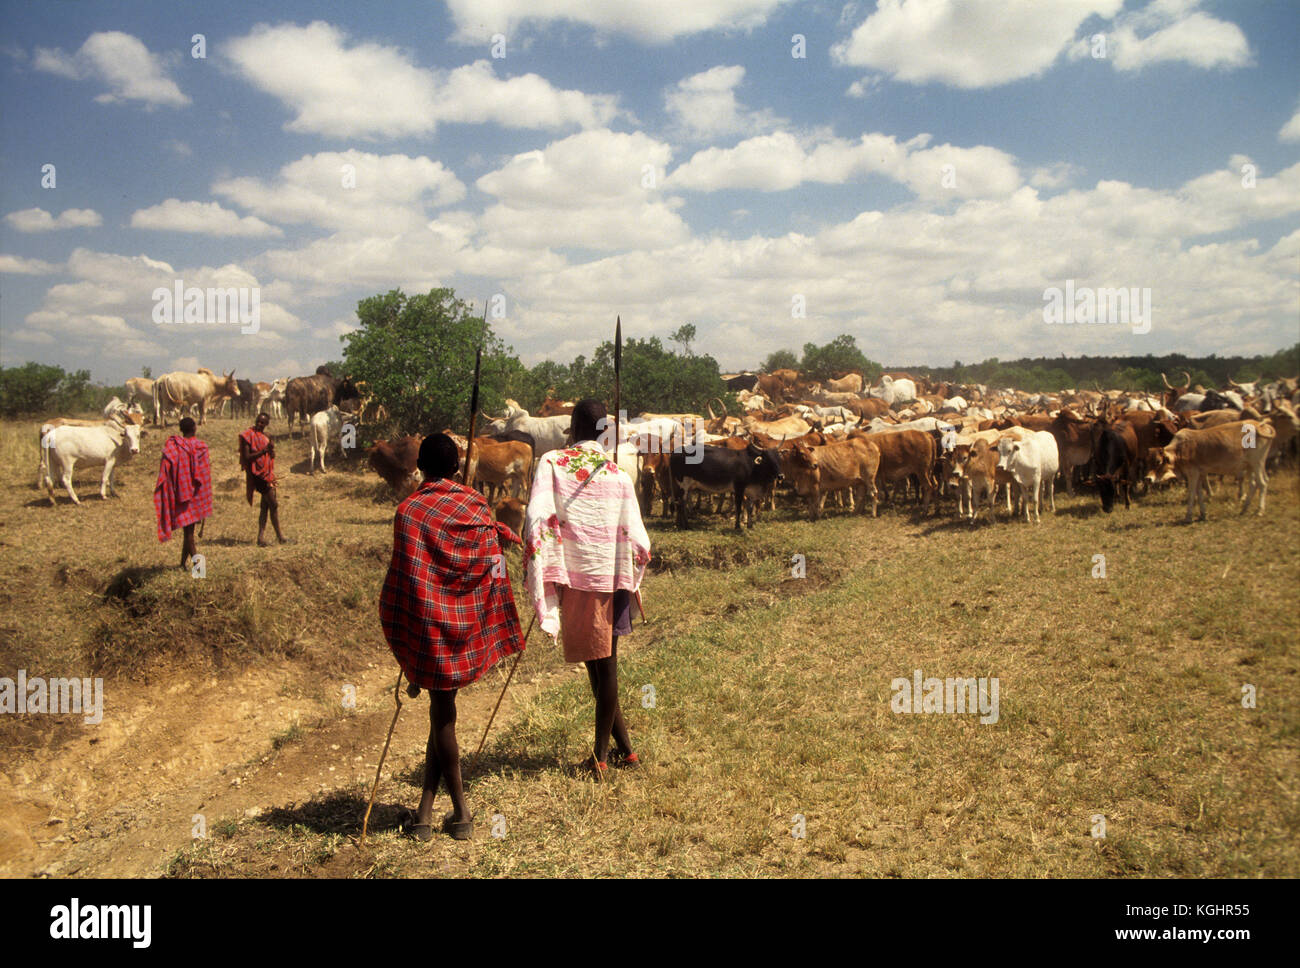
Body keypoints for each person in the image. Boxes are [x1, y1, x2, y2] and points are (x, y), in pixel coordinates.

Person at [379, 433, 526, 840]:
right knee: (442, 713)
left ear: (420, 467)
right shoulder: (475, 504)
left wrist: (405, 627)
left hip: (428, 628)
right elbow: (491, 560)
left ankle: (459, 813)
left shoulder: (408, 511)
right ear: (457, 467)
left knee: (442, 715)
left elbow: (403, 578)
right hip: (465, 626)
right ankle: (426, 811)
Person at [523, 399, 651, 778]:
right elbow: (638, 537)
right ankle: (626, 751)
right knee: (599, 664)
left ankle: (599, 756)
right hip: (613, 578)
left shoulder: (552, 463)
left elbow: (536, 516)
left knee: (604, 666)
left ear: (574, 428)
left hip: (579, 578)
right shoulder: (619, 475)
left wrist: (541, 560)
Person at [153, 416, 212, 570]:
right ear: (194, 428)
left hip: (181, 493)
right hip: (196, 495)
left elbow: (166, 469)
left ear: (181, 429)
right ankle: (199, 570)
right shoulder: (201, 447)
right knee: (189, 535)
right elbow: (204, 475)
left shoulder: (173, 446)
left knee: (188, 532)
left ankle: (181, 564)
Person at [238, 411, 285, 546]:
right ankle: (280, 536)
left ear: (267, 424)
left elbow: (271, 455)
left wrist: (271, 451)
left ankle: (261, 538)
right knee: (273, 504)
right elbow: (247, 457)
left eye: (263, 423)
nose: (259, 424)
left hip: (268, 473)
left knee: (265, 506)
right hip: (257, 474)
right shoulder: (248, 435)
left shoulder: (267, 436)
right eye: (258, 421)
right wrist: (264, 451)